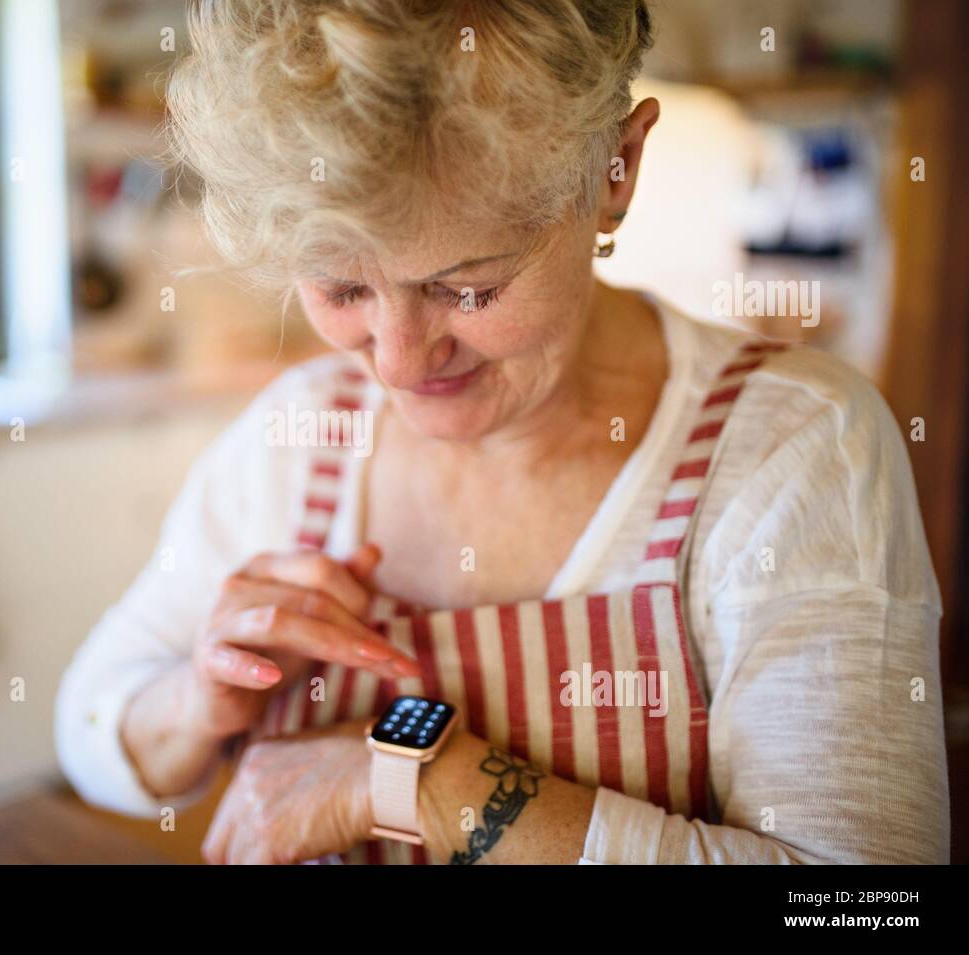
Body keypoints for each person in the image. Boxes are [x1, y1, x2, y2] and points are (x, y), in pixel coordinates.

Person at [55, 0, 949, 864]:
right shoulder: (298, 440)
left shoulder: (793, 444)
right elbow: (90, 725)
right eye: (341, 287)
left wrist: (409, 781)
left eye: (468, 287)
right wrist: (201, 697)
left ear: (616, 170)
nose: (399, 363)